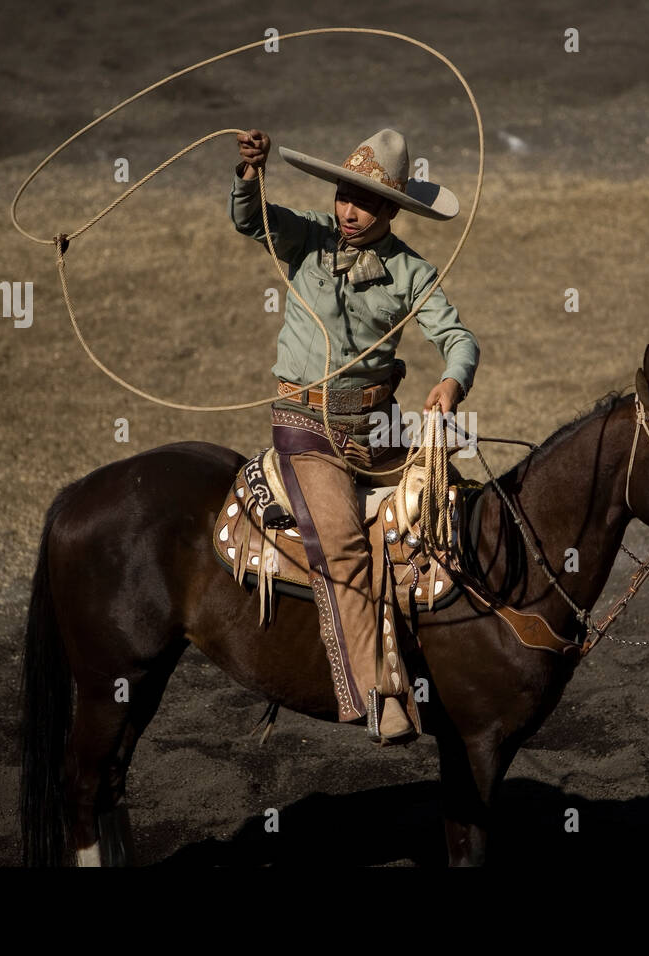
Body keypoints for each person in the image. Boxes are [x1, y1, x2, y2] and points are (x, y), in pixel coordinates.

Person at [229, 127, 478, 743]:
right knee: (341, 542)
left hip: (376, 427)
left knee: (445, 507)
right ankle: (376, 693)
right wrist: (249, 176)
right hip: (304, 425)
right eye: (343, 194)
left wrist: (452, 383)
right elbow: (253, 221)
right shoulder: (307, 235)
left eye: (363, 201)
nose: (347, 209)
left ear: (391, 210)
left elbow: (459, 339)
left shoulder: (410, 271)